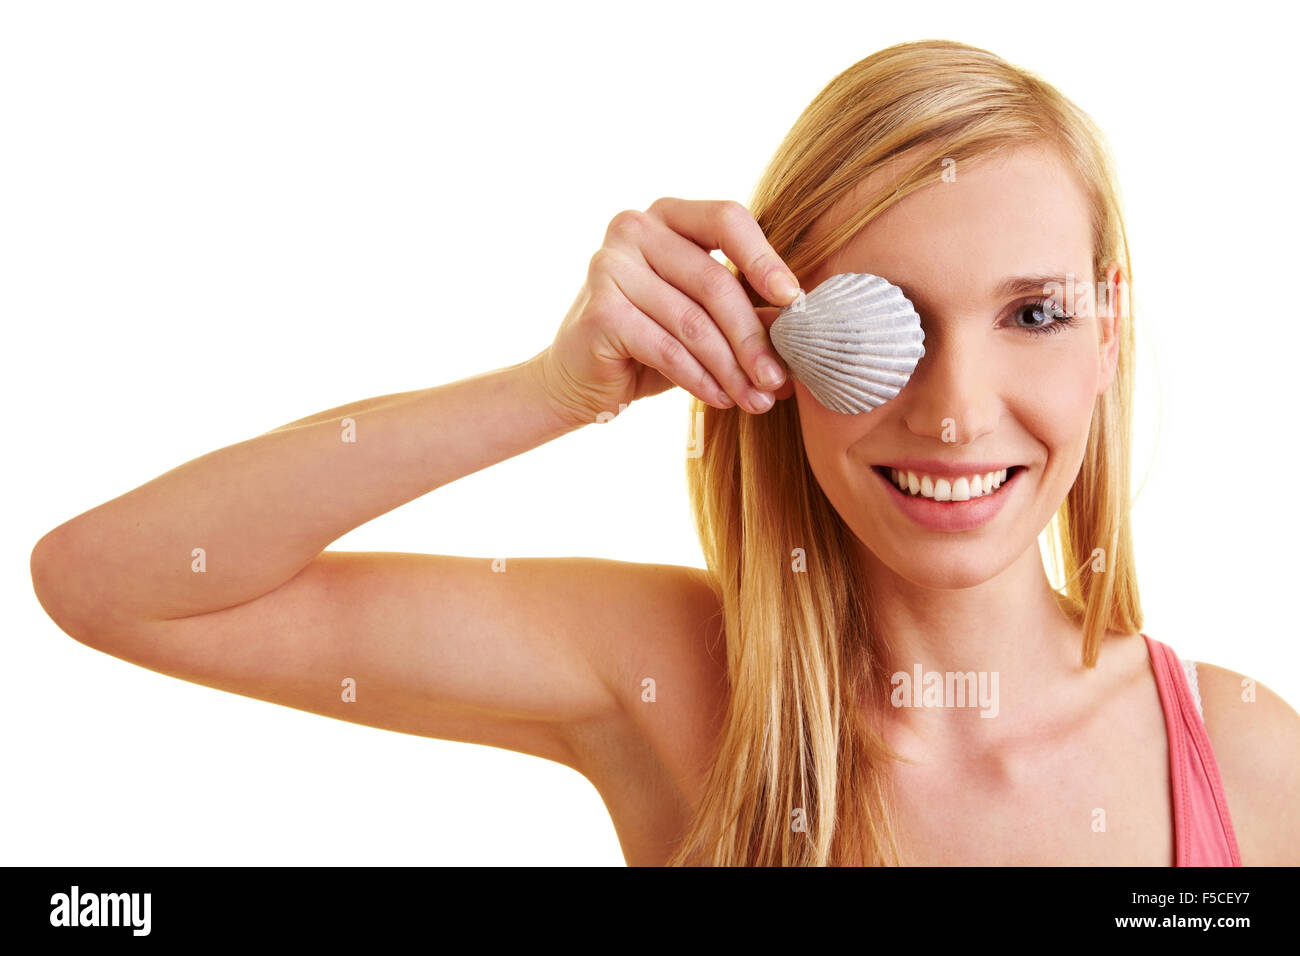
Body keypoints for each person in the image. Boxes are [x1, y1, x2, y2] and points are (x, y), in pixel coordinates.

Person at [29, 38, 1300, 866]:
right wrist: (551, 390)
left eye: (1031, 313)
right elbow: (112, 580)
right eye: (884, 319)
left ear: (1107, 330)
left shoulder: (1245, 756)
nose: (957, 410)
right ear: (779, 336)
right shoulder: (674, 683)